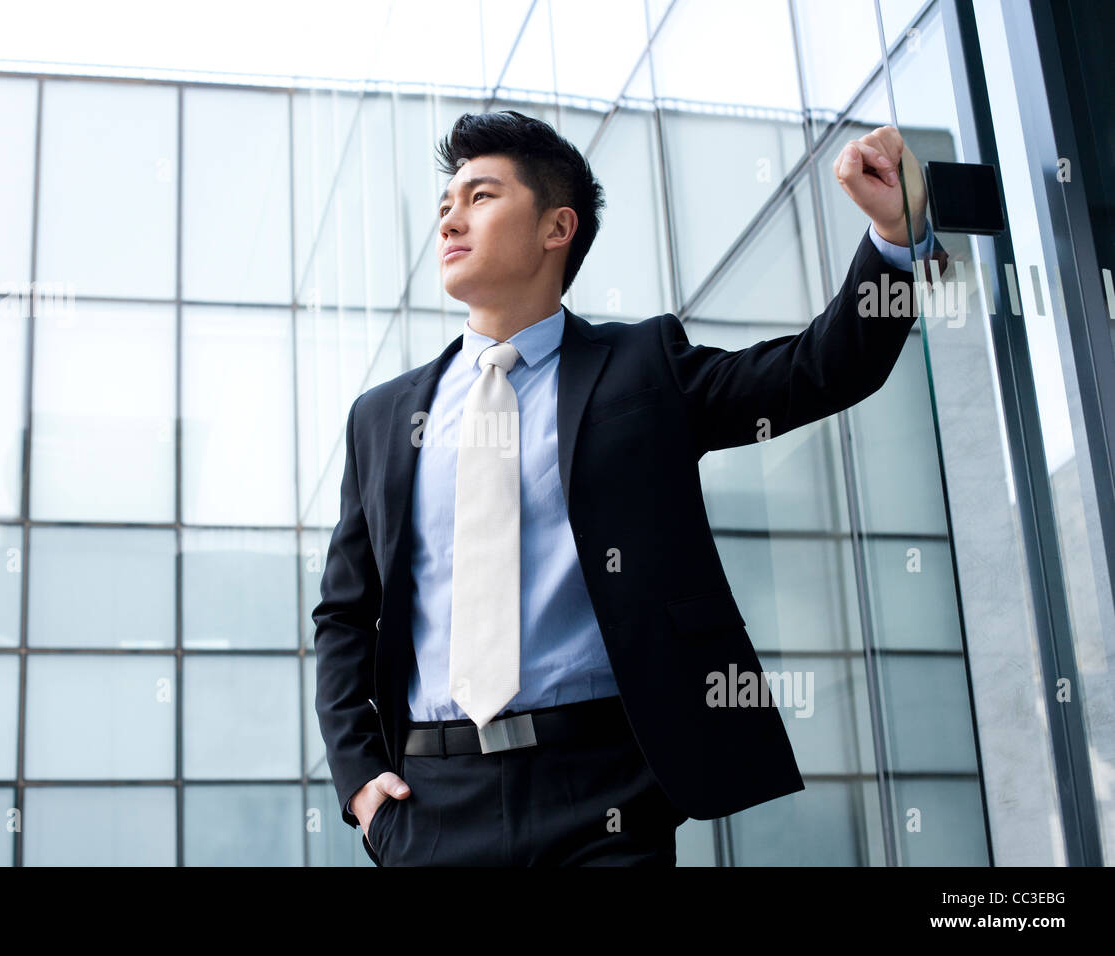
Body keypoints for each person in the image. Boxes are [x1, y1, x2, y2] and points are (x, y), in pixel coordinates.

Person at [313, 109, 942, 866]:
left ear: (557, 228)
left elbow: (823, 368)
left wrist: (897, 244)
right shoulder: (382, 417)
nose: (450, 215)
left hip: (603, 792)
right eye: (447, 201)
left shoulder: (641, 366)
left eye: (480, 196)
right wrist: (360, 782)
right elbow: (346, 615)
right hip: (431, 805)